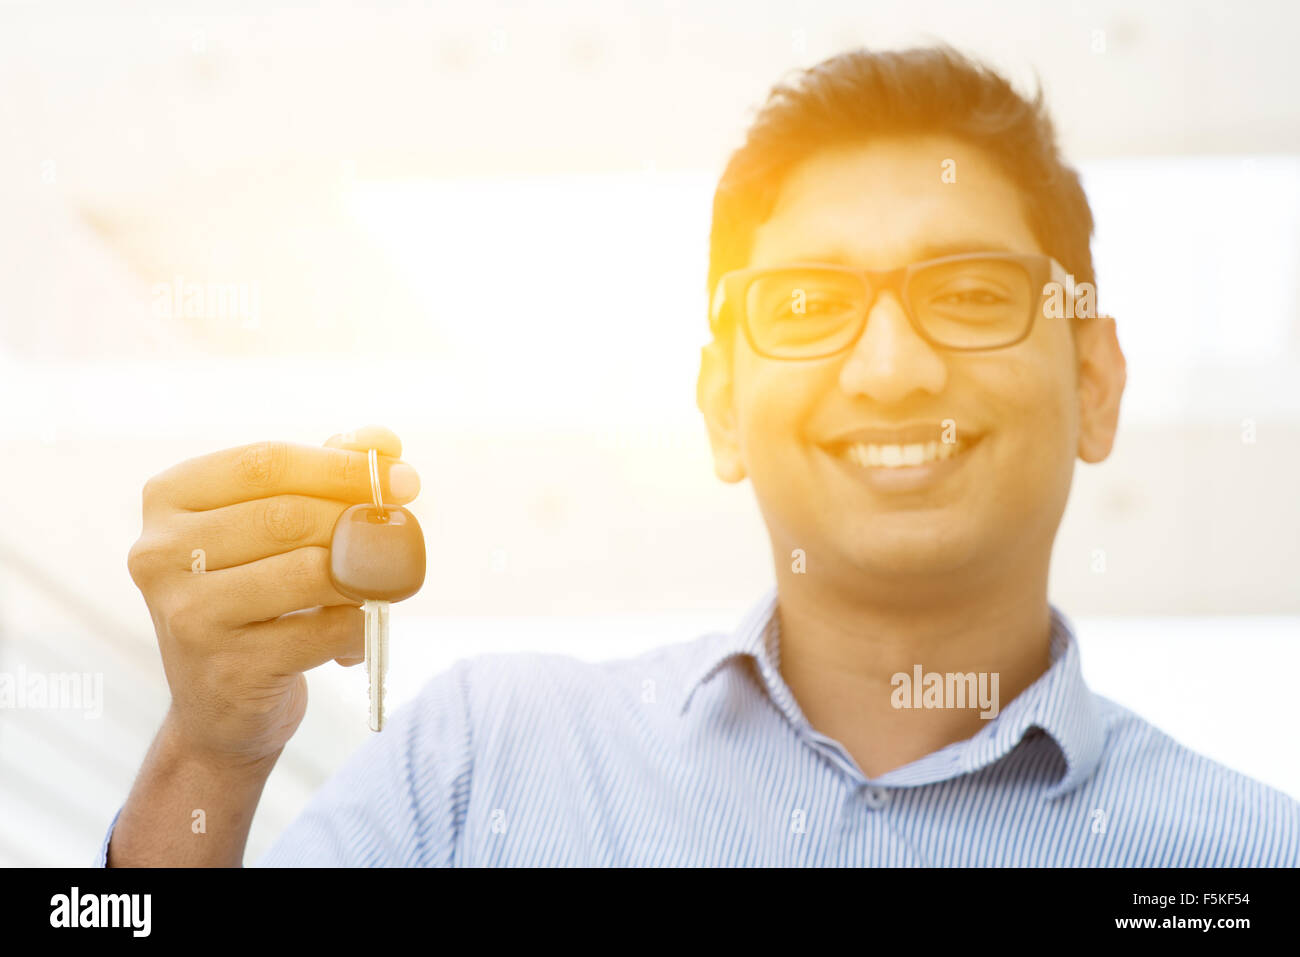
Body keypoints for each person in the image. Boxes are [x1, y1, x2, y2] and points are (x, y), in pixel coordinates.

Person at [98, 45, 1298, 867]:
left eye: (973, 292)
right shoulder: (478, 765)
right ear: (721, 405)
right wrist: (207, 752)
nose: (890, 369)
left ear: (1094, 383)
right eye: (804, 305)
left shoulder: (1240, 860)